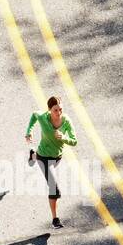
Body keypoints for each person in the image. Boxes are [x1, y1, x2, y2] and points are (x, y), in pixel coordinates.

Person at [25, 96, 77, 229]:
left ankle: (33, 155)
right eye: (55, 110)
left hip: (57, 157)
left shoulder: (66, 121)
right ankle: (55, 219)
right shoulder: (43, 117)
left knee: (51, 177)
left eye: (60, 109)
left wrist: (63, 137)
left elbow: (74, 141)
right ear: (49, 110)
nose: (58, 113)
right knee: (54, 188)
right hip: (44, 157)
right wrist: (29, 132)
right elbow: (34, 115)